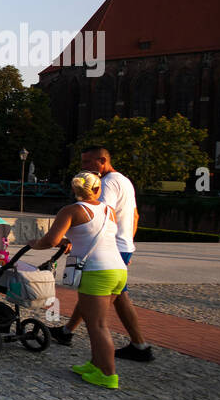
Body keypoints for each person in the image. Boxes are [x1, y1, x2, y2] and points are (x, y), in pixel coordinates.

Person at [49, 146, 154, 361]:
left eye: (87, 162)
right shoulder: (125, 181)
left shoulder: (105, 184)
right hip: (119, 247)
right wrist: (129, 245)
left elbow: (96, 216)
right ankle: (67, 332)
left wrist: (77, 239)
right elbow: (134, 215)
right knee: (100, 295)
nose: (83, 167)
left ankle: (137, 347)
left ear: (102, 160)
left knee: (106, 302)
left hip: (107, 248)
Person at [32, 171, 127, 389]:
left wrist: (34, 243)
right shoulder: (109, 210)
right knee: (93, 317)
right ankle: (95, 364)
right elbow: (91, 233)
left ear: (74, 189)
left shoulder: (71, 210)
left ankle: (108, 374)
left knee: (98, 325)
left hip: (96, 272)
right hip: (118, 270)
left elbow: (50, 240)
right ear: (97, 189)